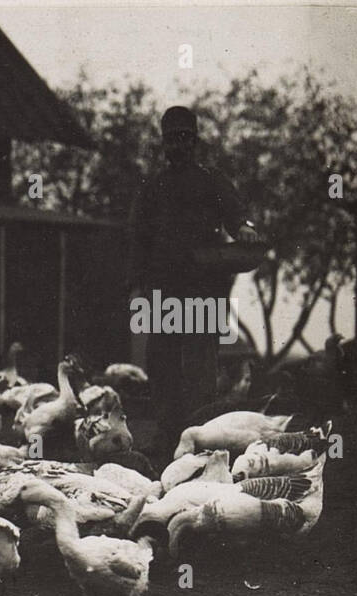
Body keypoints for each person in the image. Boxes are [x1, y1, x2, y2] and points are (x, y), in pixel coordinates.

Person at [128, 105, 260, 457]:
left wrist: (245, 229)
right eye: (171, 139)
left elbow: (237, 217)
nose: (178, 145)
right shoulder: (153, 187)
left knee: (201, 365)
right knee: (162, 363)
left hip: (204, 288)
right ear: (163, 143)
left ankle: (202, 438)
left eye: (185, 137)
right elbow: (138, 236)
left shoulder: (212, 180)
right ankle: (166, 436)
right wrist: (137, 283)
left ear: (195, 140)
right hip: (163, 289)